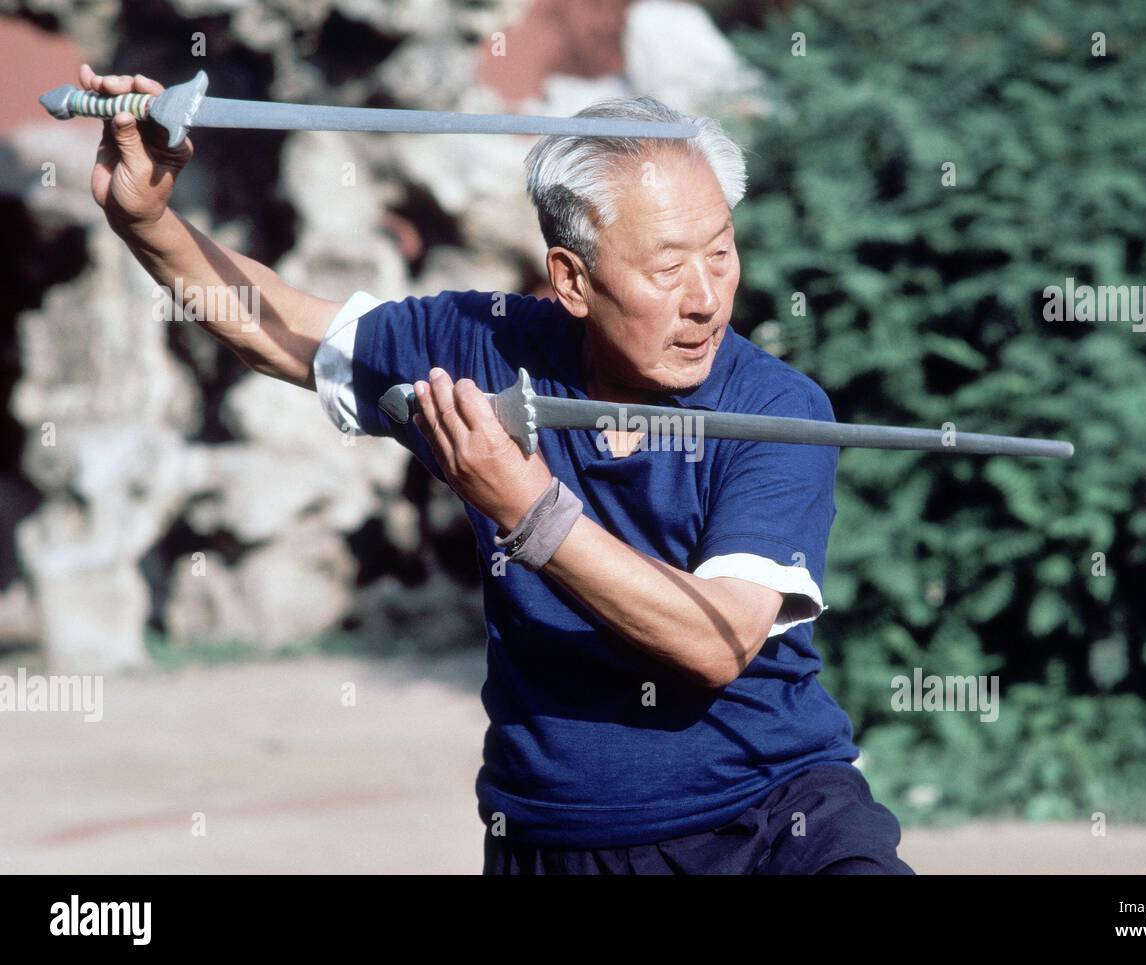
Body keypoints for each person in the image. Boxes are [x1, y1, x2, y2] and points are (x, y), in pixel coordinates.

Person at [82, 65, 913, 875]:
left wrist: (531, 512)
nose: (706, 296)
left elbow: (715, 640)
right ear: (572, 280)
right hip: (557, 835)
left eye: (721, 253)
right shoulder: (484, 347)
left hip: (779, 820)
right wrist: (148, 219)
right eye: (668, 269)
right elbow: (279, 328)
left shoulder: (777, 406)